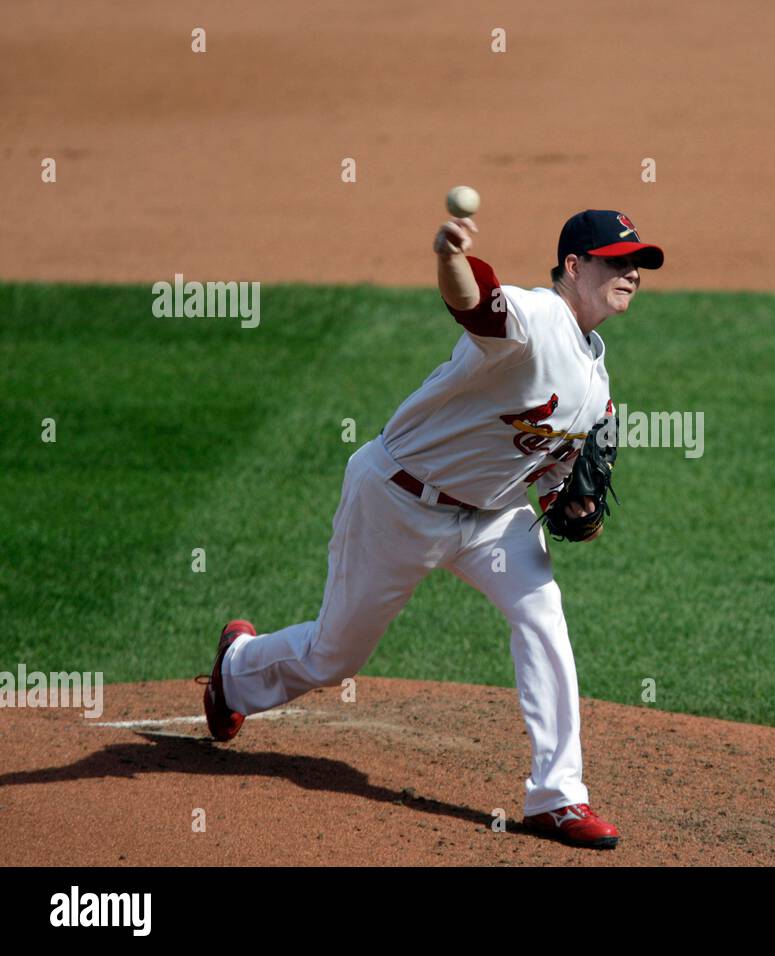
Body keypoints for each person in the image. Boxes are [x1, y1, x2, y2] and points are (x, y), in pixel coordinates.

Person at [198, 209, 664, 849]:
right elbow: (477, 304)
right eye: (616, 260)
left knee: (543, 615)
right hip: (399, 500)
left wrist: (574, 511)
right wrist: (449, 256)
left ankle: (557, 798)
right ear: (575, 267)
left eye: (636, 262)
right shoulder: (536, 319)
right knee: (336, 655)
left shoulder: (599, 383)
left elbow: (553, 479)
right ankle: (236, 670)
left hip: (492, 518)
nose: (630, 272)